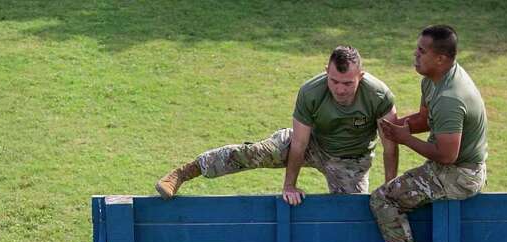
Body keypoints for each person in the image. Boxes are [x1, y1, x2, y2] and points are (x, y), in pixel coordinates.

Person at [155, 46, 399, 206]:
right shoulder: (311, 92)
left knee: (351, 214)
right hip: (313, 143)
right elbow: (300, 142)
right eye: (334, 81)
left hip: (351, 159)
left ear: (361, 76)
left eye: (348, 83)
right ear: (326, 72)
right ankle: (185, 172)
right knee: (259, 152)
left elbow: (390, 146)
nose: (340, 89)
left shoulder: (378, 95)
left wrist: (390, 189)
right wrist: (290, 185)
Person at [371, 25, 488, 242]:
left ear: (440, 59)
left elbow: (447, 155)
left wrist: (404, 137)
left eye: (422, 51)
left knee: (382, 199)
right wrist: (400, 125)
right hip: (450, 165)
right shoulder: (432, 79)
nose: (415, 55)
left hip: (460, 174)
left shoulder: (451, 97)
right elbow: (426, 118)